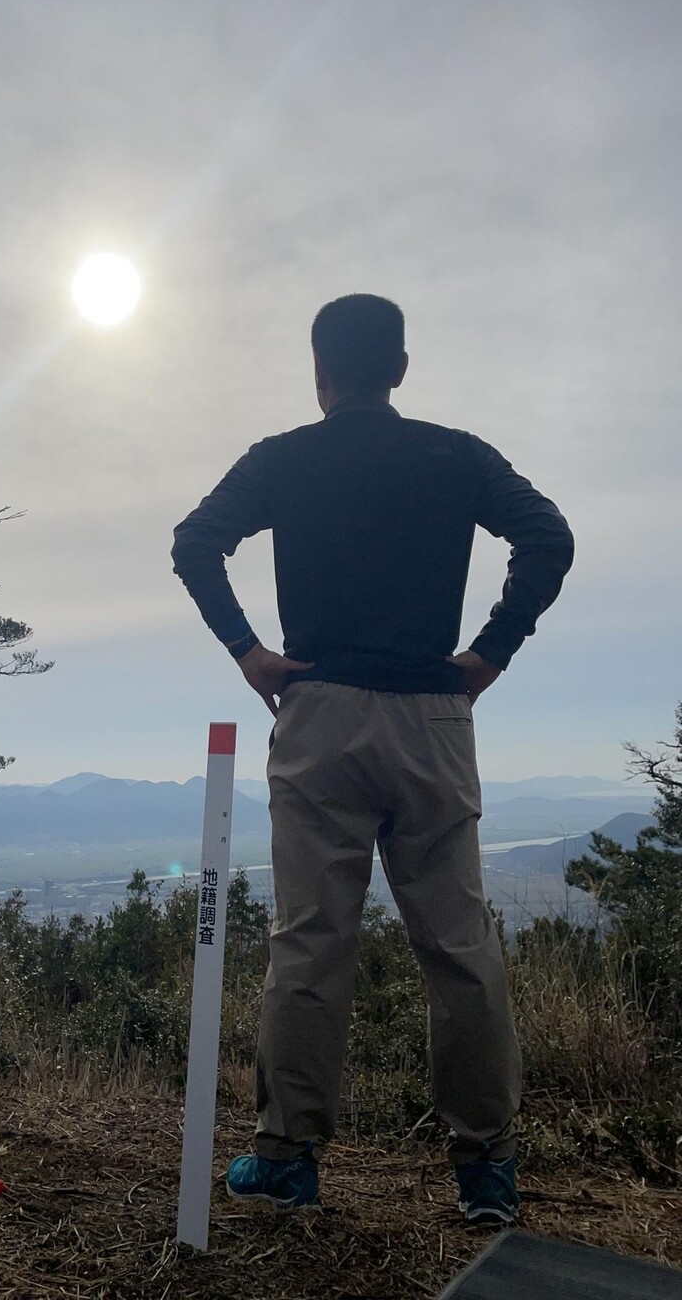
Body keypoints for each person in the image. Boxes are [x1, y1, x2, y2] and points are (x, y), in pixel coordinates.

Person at [171, 293, 574, 1224]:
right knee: (460, 944)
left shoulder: (282, 459)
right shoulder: (457, 455)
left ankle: (287, 1158)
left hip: (317, 714)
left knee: (312, 939)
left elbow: (196, 540)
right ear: (400, 368)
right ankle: (485, 1173)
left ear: (319, 371)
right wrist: (492, 652)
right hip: (433, 714)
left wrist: (248, 651)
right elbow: (548, 535)